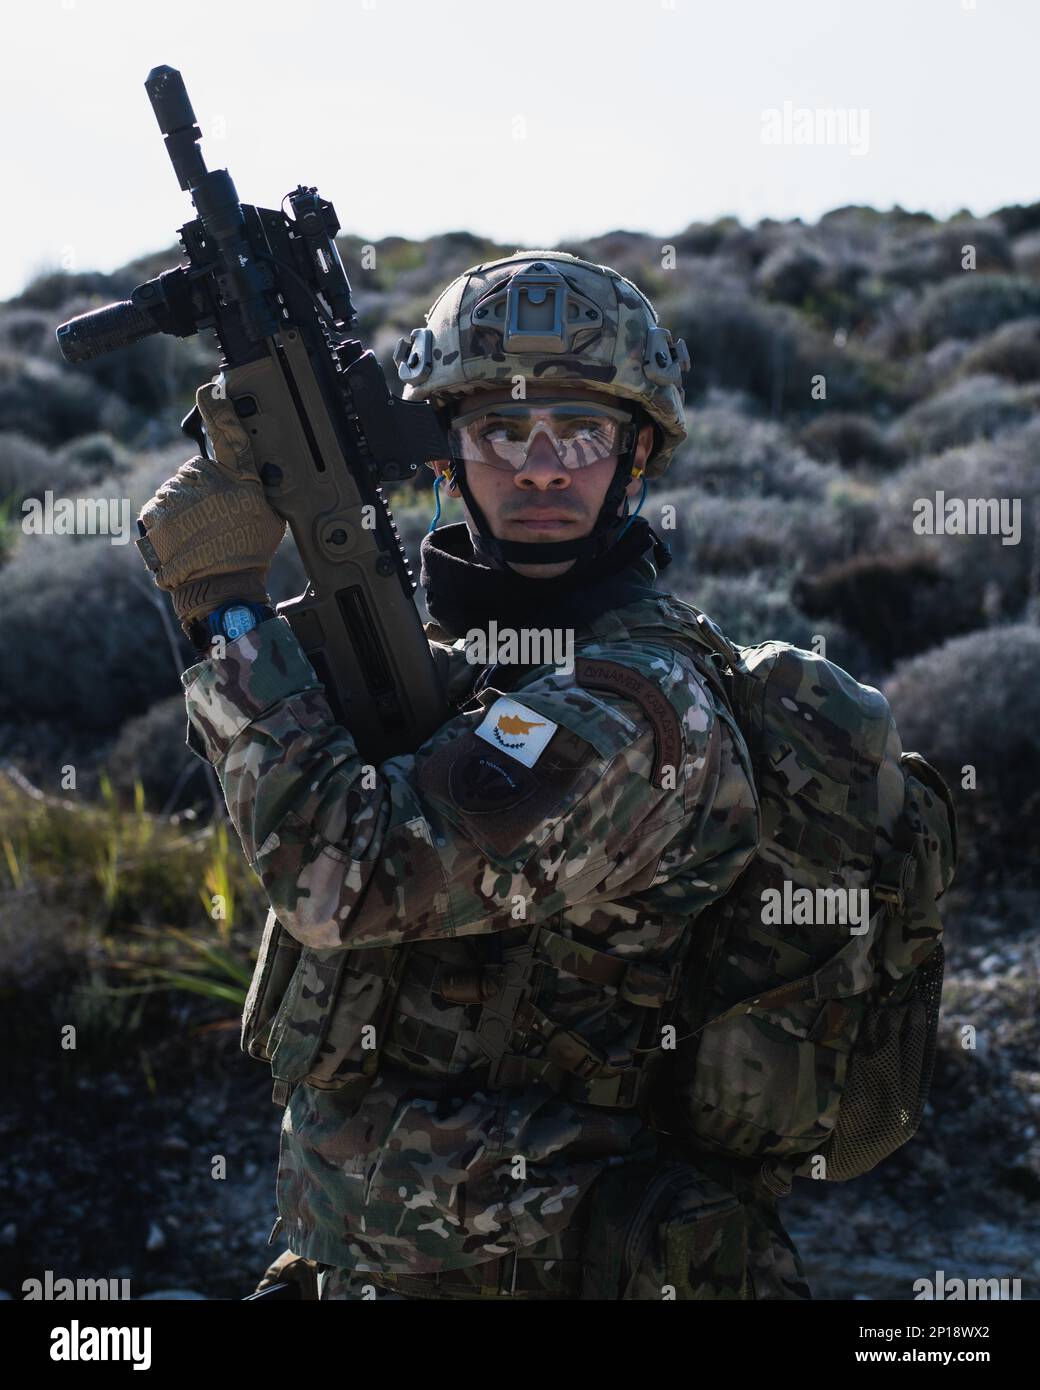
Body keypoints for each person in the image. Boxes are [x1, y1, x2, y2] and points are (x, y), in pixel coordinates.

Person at [136, 251, 810, 1300]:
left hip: (555, 1269)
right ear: (446, 455)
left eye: (579, 431)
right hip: (383, 1252)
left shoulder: (636, 707)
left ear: (636, 458)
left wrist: (221, 605)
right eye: (500, 429)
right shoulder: (474, 668)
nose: (540, 465)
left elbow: (337, 877)